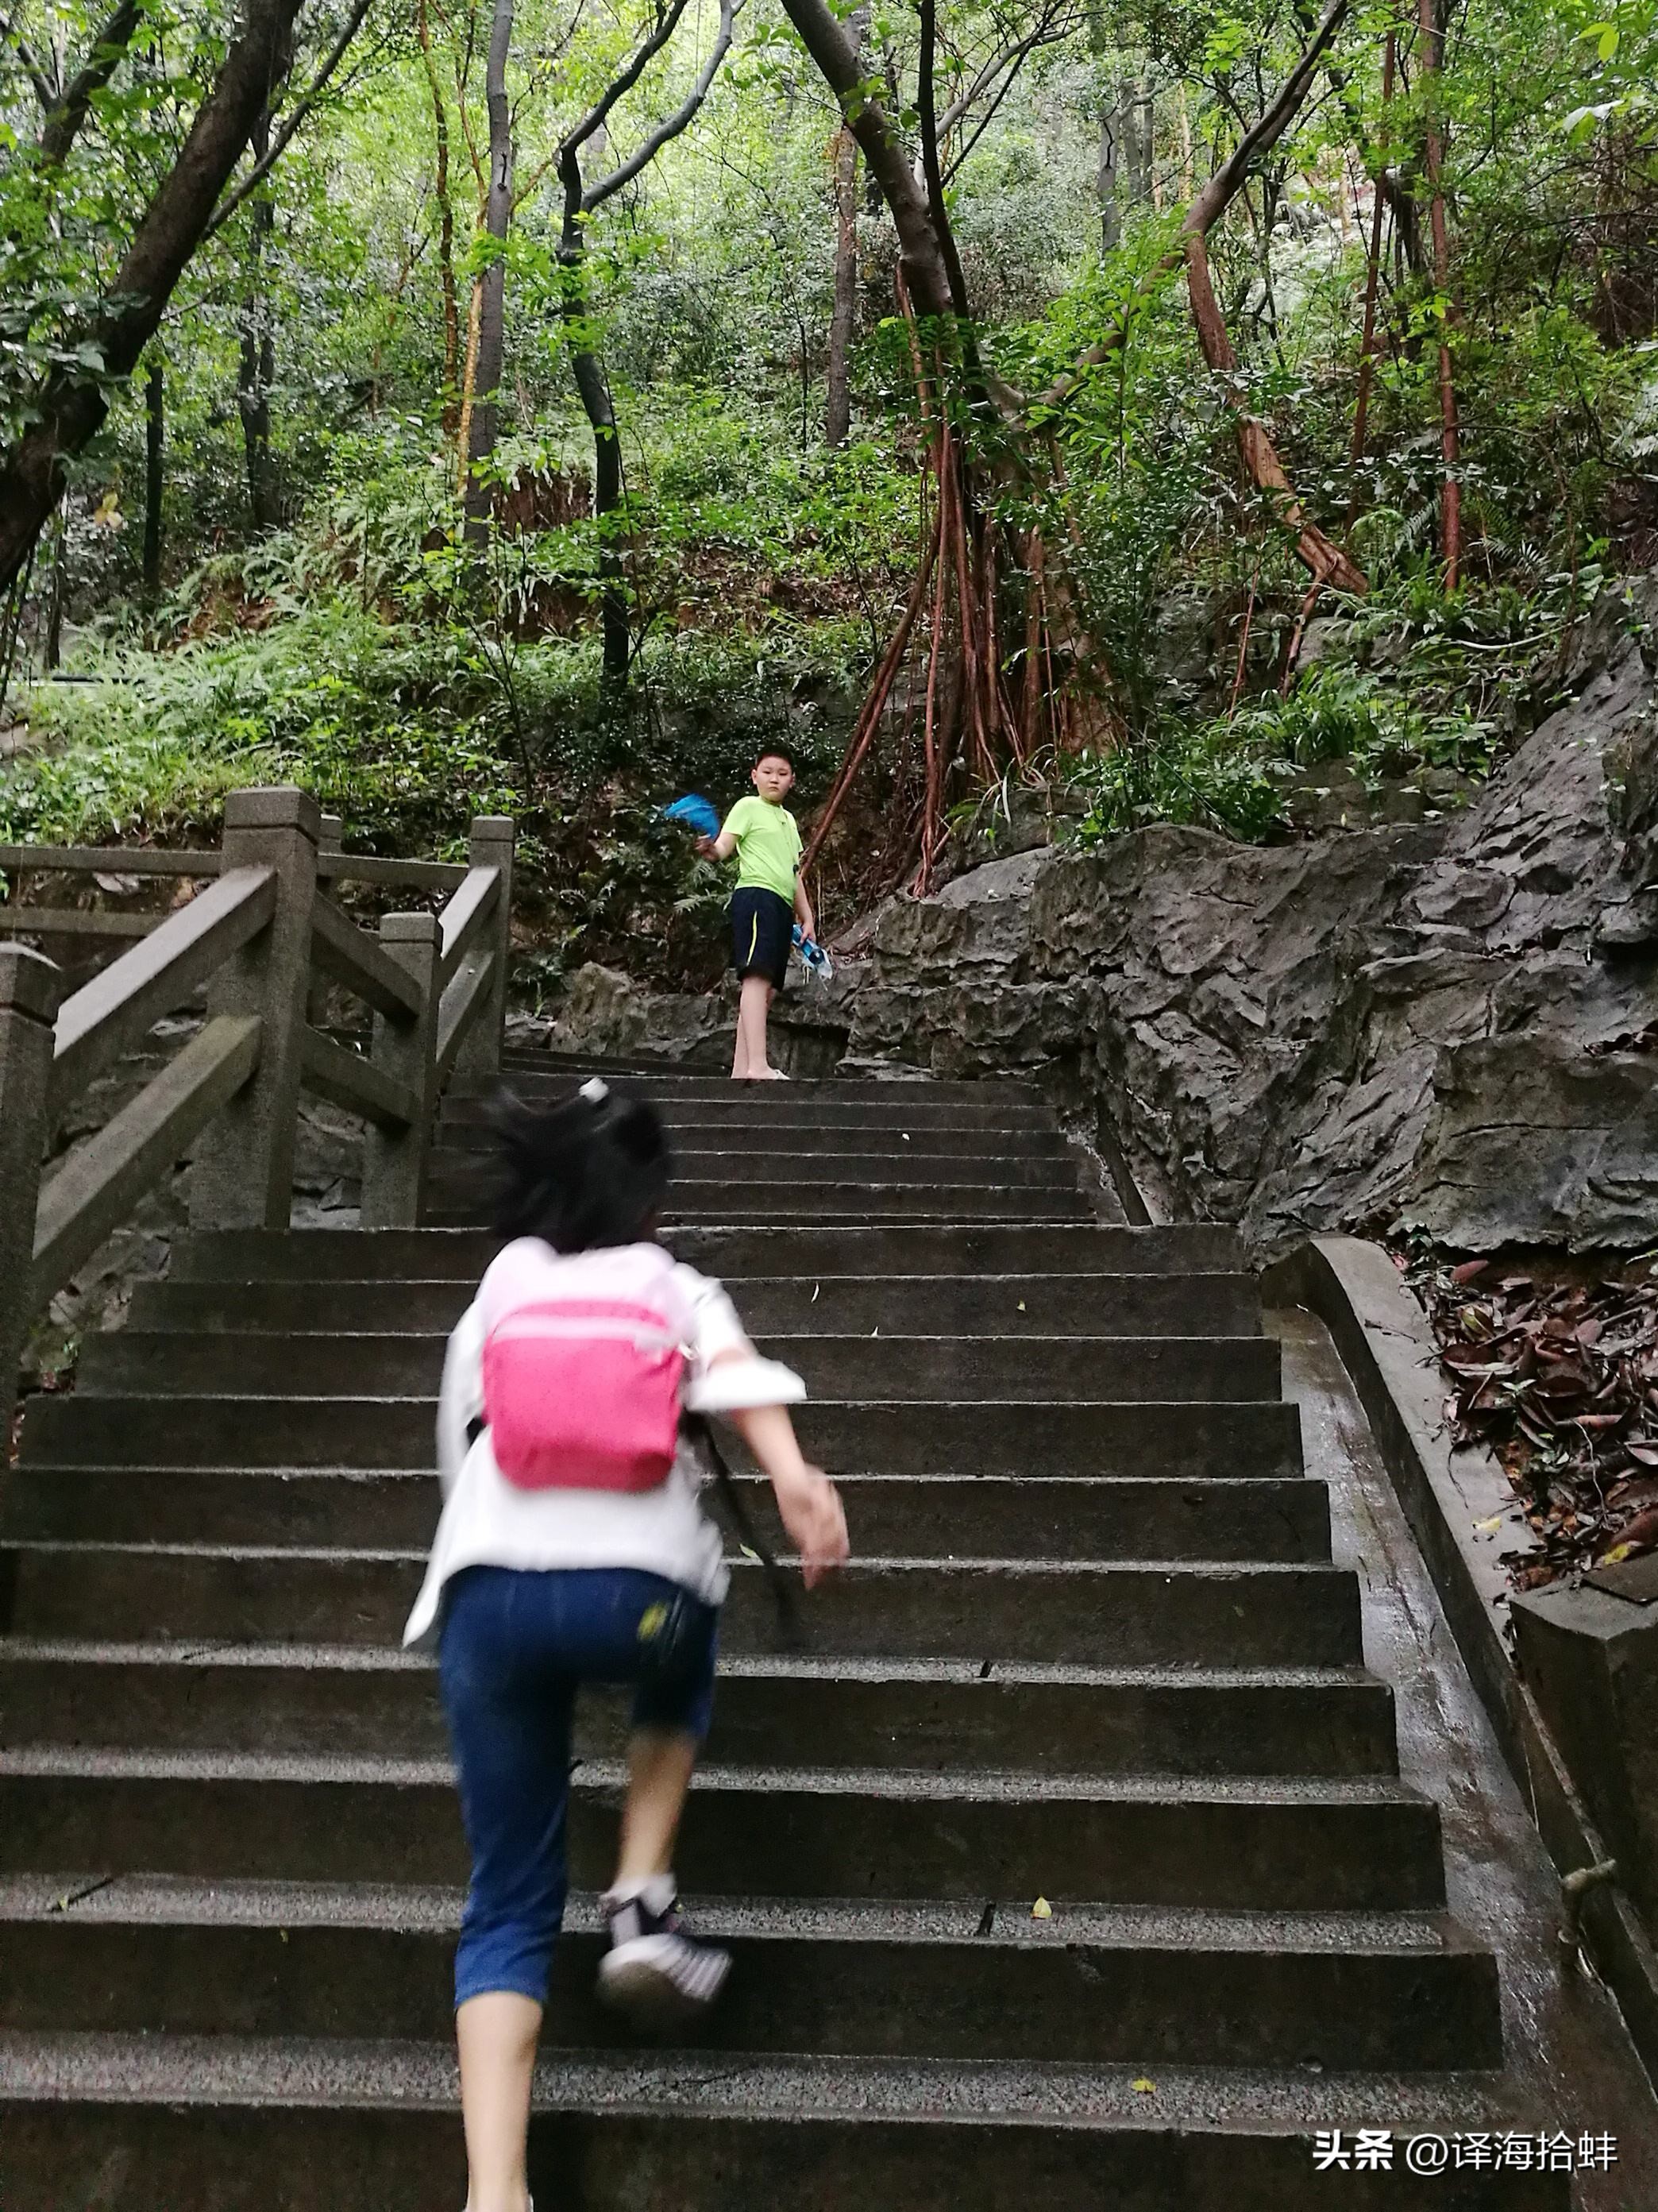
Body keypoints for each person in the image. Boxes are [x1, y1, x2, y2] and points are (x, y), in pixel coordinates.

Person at [403, 1077, 849, 2212]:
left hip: (489, 1600)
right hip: (639, 1600)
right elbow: (738, 1377)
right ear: (647, 1202)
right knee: (686, 1639)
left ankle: (494, 2191)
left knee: (504, 1903)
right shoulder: (675, 1283)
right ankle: (642, 1890)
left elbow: (459, 1458)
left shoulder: (498, 1291)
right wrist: (796, 1484)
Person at [697, 744, 814, 1081]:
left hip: (780, 905)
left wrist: (806, 916)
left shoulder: (789, 821)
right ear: (754, 777)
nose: (774, 779)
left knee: (769, 988)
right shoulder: (748, 807)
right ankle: (758, 1066)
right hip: (755, 897)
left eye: (782, 773)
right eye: (767, 772)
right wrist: (710, 848)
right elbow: (722, 847)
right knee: (756, 977)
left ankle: (741, 1070)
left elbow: (794, 873)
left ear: (792, 780)